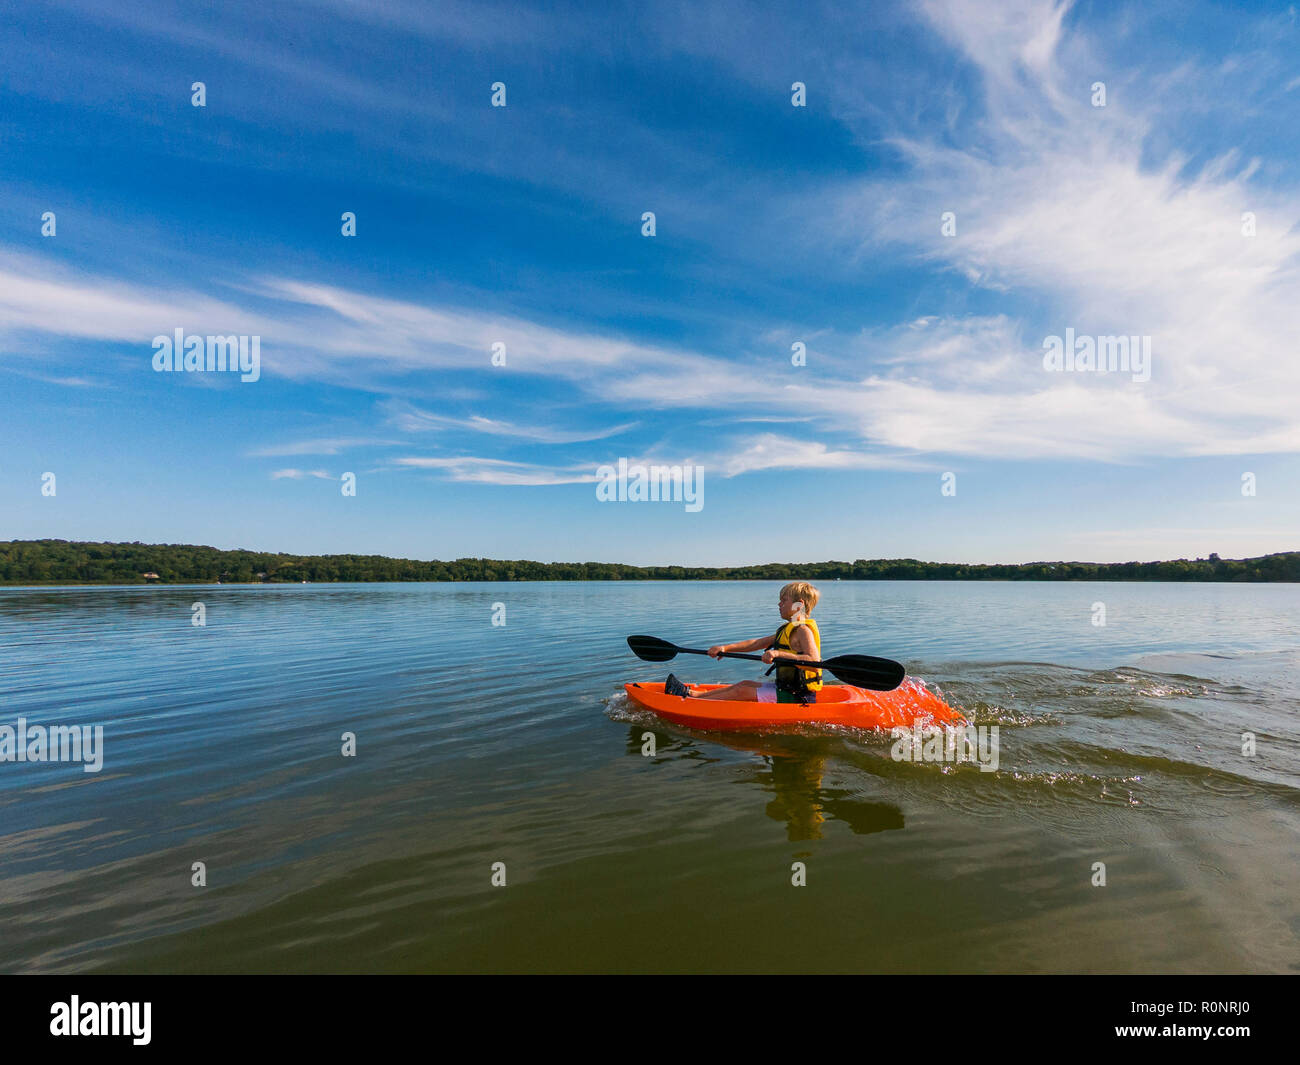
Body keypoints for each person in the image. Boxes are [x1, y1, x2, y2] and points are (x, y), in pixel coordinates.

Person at [664, 582, 823, 703]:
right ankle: (694, 695)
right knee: (744, 684)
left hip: (798, 697)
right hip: (785, 689)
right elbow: (755, 643)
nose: (779, 604)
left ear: (799, 605)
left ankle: (693, 701)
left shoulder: (803, 630)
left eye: (784, 600)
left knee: (743, 692)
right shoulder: (787, 629)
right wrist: (725, 648)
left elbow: (814, 662)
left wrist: (777, 653)